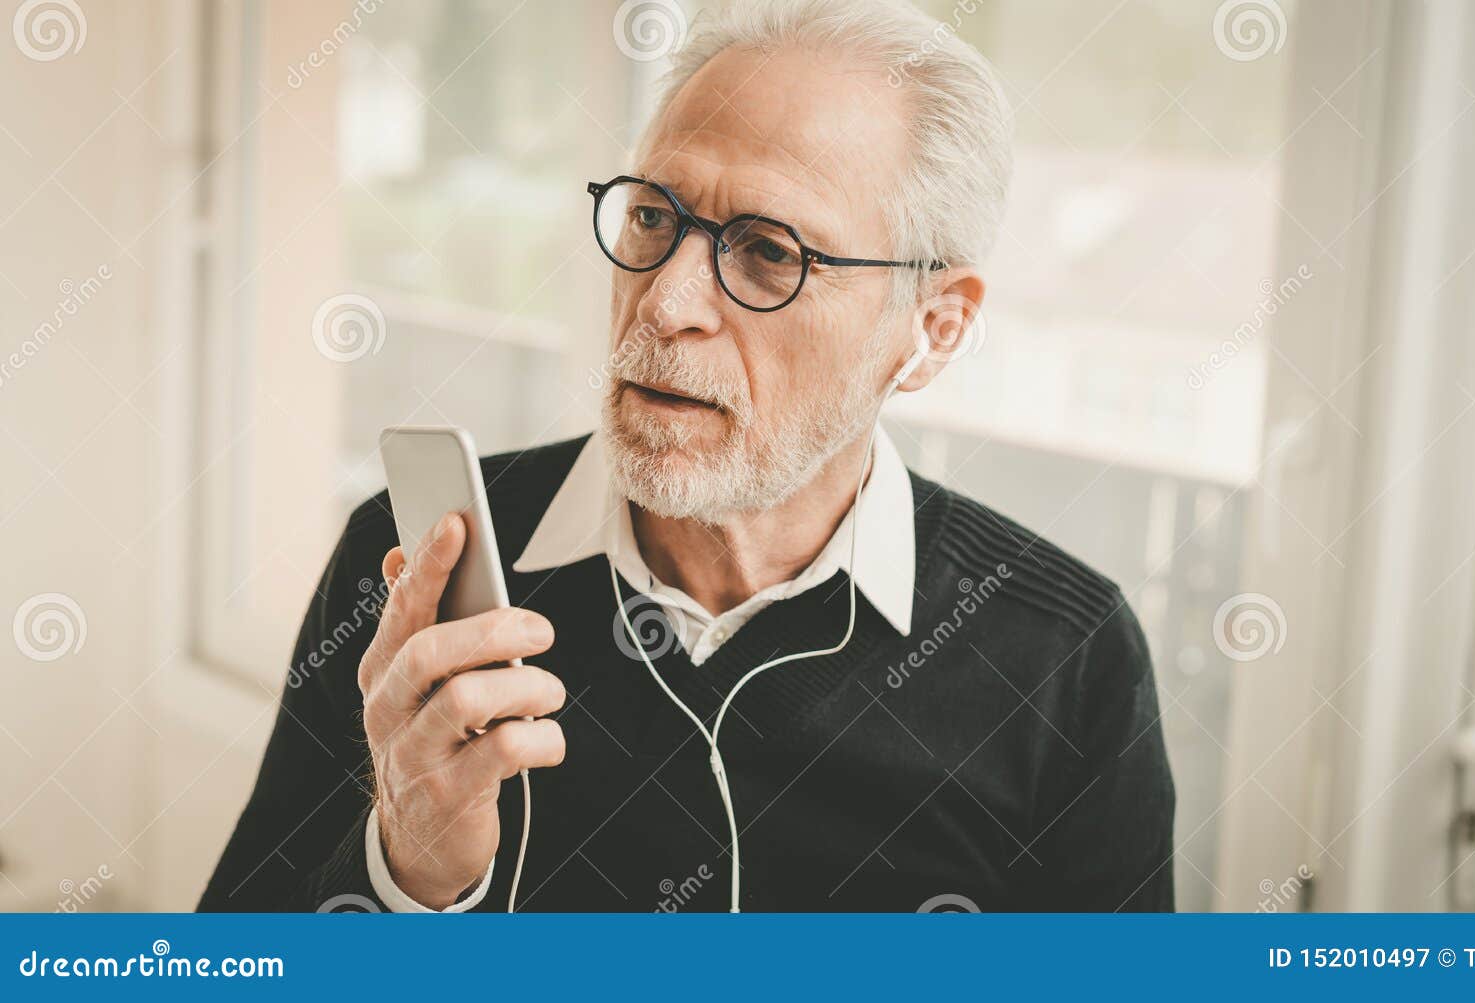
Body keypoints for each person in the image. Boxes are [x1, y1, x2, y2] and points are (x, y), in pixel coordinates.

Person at [200, 0, 1174, 913]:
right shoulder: (425, 562)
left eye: (767, 252)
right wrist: (403, 865)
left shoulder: (1064, 658)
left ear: (931, 331)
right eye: (653, 217)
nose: (664, 304)